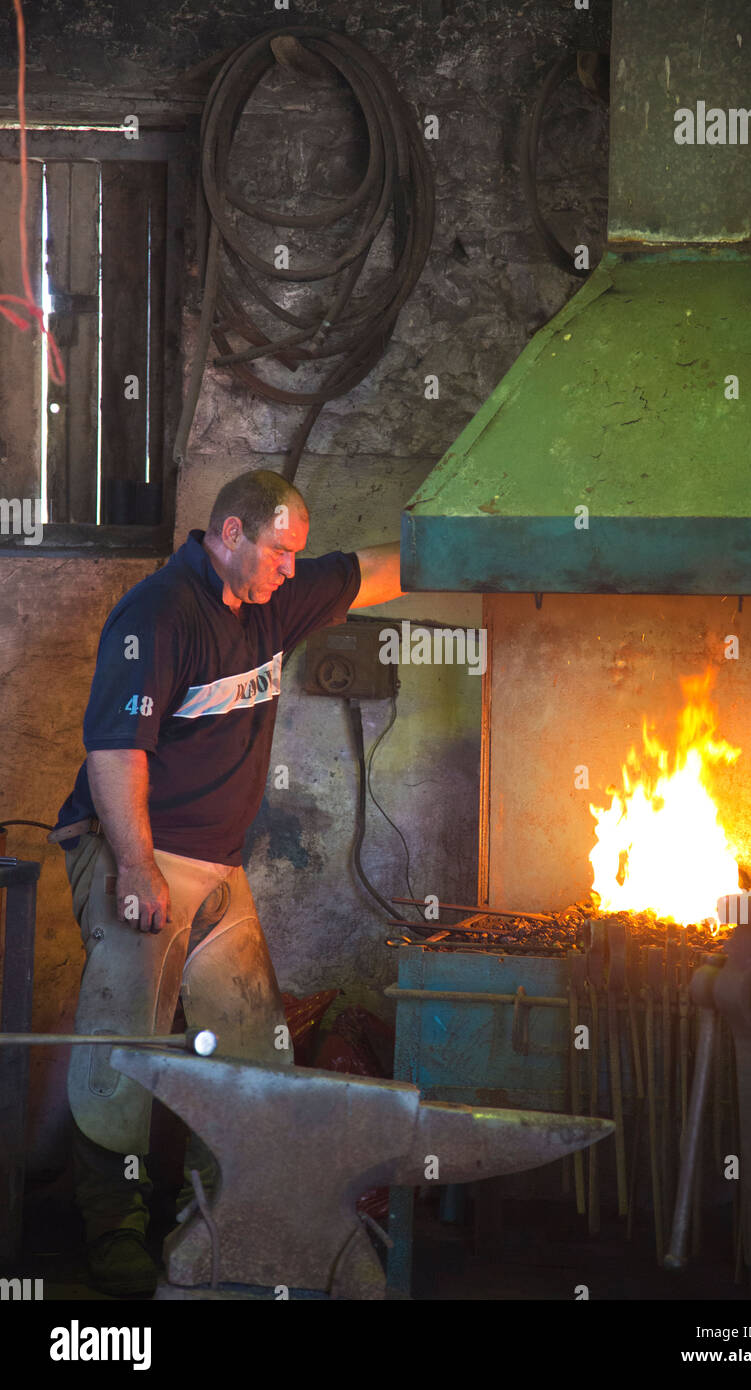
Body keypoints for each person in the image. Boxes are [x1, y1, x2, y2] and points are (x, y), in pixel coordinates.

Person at [48, 468, 403, 1295]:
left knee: (252, 1054)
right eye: (280, 551)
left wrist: (463, 543)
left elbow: (371, 570)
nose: (291, 567)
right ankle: (113, 1237)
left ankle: (211, 1225)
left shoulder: (273, 599)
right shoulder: (159, 613)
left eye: (297, 556)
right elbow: (115, 750)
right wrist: (135, 868)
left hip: (218, 869)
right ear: (231, 534)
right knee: (122, 1048)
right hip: (137, 852)